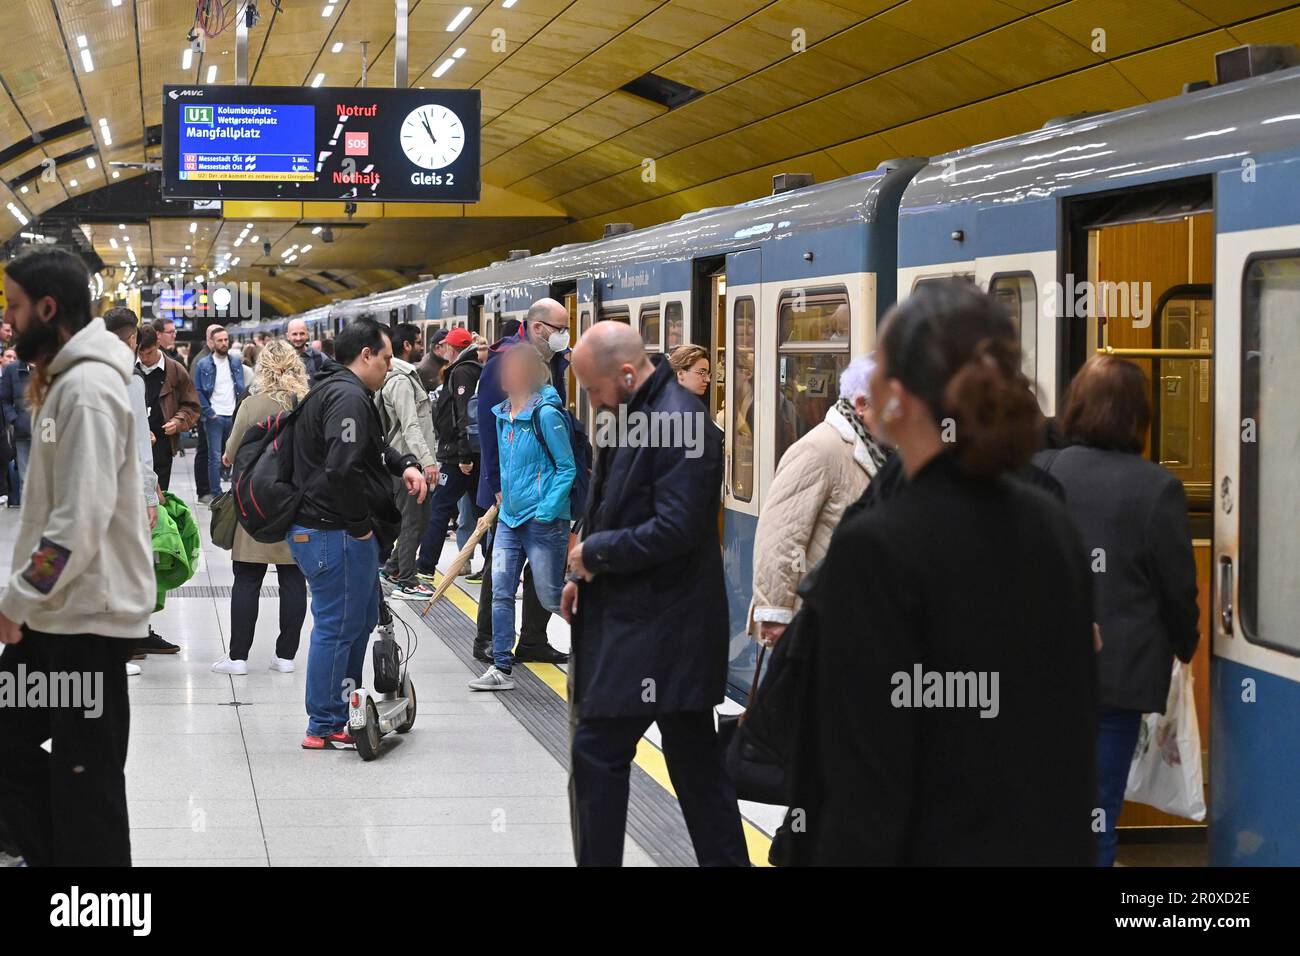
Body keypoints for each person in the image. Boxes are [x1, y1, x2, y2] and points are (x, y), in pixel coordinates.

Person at [784, 281, 1096, 866]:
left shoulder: (874, 547)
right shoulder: (1052, 526)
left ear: (896, 398)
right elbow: (1070, 732)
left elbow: (862, 777)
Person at [562, 320, 748, 867]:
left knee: (598, 752)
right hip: (655, 627)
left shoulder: (682, 423)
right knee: (696, 767)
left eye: (594, 389)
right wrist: (578, 575)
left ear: (625, 372)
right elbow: (605, 504)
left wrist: (596, 555)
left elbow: (678, 528)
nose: (592, 400)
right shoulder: (632, 414)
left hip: (659, 629)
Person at [0, 248, 153, 866]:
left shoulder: (86, 389)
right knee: (52, 766)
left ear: (47, 307)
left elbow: (75, 525)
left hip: (84, 621)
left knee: (88, 785)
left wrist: (17, 599)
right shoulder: (67, 381)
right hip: (61, 617)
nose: (7, 320)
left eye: (13, 306)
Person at [1034, 355, 1199, 867]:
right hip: (1114, 682)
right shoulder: (1158, 488)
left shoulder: (1041, 471)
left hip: (1033, 675)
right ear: (1139, 418)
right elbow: (1177, 588)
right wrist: (1184, 643)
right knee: (1096, 813)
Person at [286, 318, 427, 750]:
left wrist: (401, 461)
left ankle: (344, 704)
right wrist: (360, 527)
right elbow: (342, 467)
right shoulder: (346, 398)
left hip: (334, 529)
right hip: (334, 531)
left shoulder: (346, 392)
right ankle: (324, 722)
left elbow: (369, 447)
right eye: (386, 358)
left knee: (358, 619)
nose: (390, 366)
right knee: (337, 623)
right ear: (364, 355)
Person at [750, 356, 888, 648]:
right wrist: (776, 615)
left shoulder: (882, 450)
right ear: (862, 404)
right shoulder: (819, 450)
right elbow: (780, 537)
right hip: (817, 619)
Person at [471, 302, 573, 665]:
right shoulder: (505, 360)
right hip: (509, 486)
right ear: (538, 327)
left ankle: (532, 638)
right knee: (502, 569)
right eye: (560, 327)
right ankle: (487, 638)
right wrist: (497, 483)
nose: (565, 334)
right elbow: (488, 424)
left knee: (540, 567)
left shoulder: (550, 359)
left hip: (541, 483)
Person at [213, 340, 312, 676]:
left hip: (254, 502)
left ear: (262, 368)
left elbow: (230, 451)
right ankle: (285, 657)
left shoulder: (252, 404)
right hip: (297, 502)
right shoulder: (307, 402)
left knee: (247, 578)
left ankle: (238, 658)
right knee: (293, 578)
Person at [414, 327, 484, 580]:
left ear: (453, 349)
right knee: (481, 510)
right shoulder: (470, 369)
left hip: (459, 456)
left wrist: (464, 455)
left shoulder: (462, 371)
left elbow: (463, 415)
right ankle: (491, 567)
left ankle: (425, 566)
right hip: (466, 454)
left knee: (441, 506)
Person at [378, 323, 440, 600]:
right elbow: (410, 426)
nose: (421, 347)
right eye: (417, 342)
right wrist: (427, 462)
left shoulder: (404, 376)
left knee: (419, 519)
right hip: (408, 462)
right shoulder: (402, 380)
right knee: (413, 521)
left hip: (407, 460)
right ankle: (406, 580)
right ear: (405, 345)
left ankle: (393, 568)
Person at [131, 318, 201, 493]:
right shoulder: (129, 370)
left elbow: (192, 405)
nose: (145, 358)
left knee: (160, 498)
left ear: (158, 344)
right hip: (134, 443)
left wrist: (178, 422)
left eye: (150, 352)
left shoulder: (175, 370)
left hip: (162, 444)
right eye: (141, 353)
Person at [194, 326, 245, 502]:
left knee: (235, 455)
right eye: (220, 340)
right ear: (212, 343)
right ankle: (216, 495)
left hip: (233, 415)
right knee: (214, 457)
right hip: (214, 417)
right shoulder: (203, 364)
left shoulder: (236, 362)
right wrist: (209, 412)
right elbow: (198, 391)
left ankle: (236, 493)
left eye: (226, 340)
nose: (224, 343)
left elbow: (240, 387)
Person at [188, 324, 221, 500]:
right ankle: (203, 490)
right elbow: (195, 390)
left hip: (217, 413)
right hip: (205, 415)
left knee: (212, 452)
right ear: (209, 339)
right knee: (204, 451)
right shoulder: (200, 361)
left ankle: (210, 488)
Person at [0, 352, 32, 508]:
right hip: (23, 426)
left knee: (48, 471)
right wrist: (14, 419)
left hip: (48, 425)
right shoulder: (12, 370)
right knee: (24, 475)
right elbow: (4, 399)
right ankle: (28, 513)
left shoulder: (49, 366)